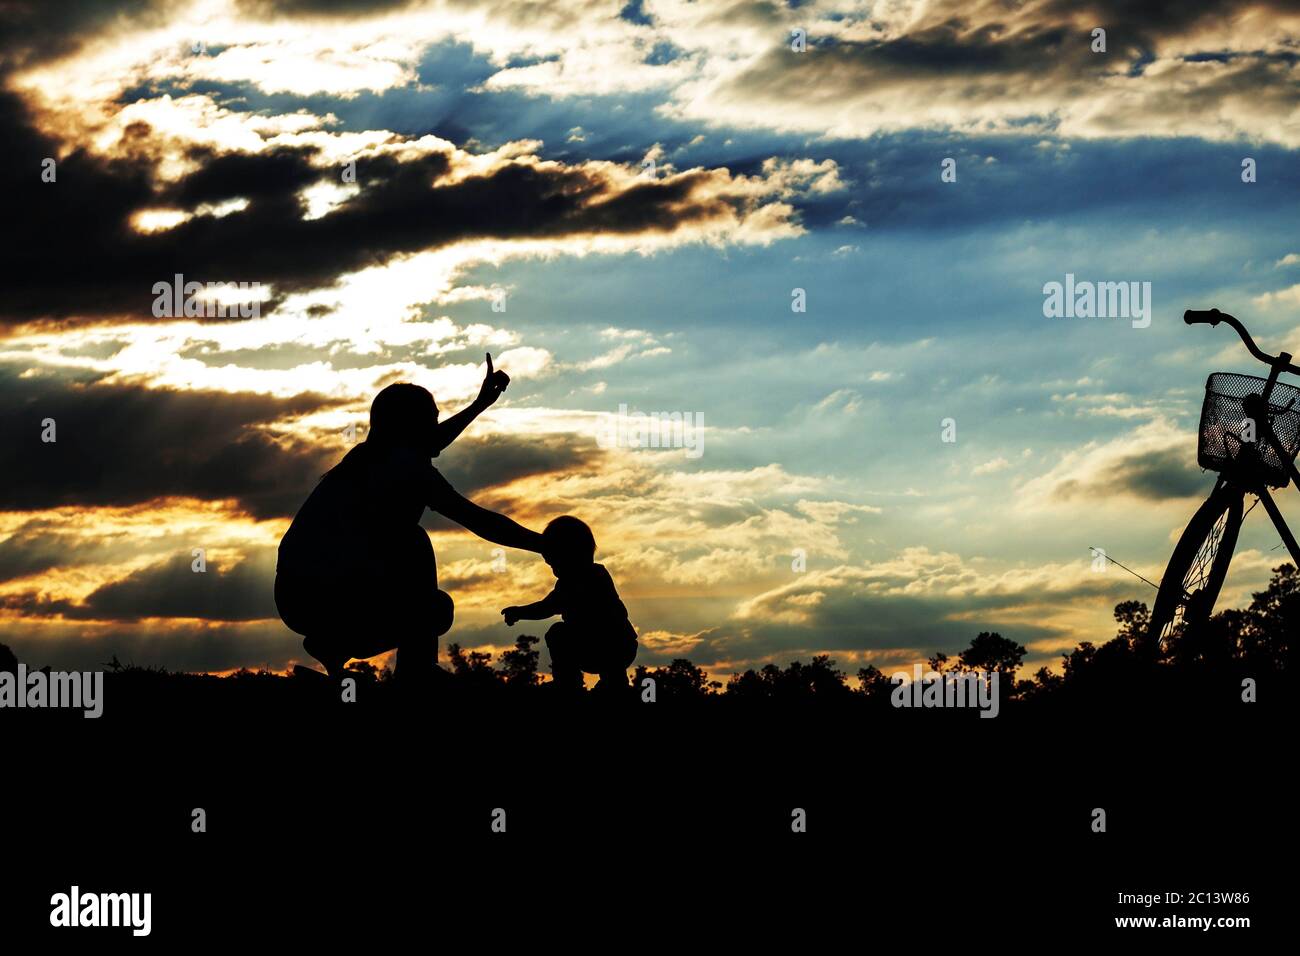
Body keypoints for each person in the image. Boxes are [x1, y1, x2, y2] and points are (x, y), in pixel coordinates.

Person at [275, 355, 544, 683]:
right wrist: (544, 544)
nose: (437, 428)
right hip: (329, 594)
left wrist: (479, 405)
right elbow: (478, 520)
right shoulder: (409, 472)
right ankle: (409, 672)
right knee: (432, 604)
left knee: (412, 553)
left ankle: (335, 646)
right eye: (431, 420)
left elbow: (433, 442)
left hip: (296, 596)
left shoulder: (367, 459)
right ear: (410, 428)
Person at [500, 516, 637, 694]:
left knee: (559, 633)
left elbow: (547, 607)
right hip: (612, 647)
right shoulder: (592, 576)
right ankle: (612, 682)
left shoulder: (582, 580)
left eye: (554, 562)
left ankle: (571, 682)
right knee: (581, 637)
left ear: (570, 555)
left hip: (611, 647)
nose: (553, 568)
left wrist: (520, 612)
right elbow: (549, 605)